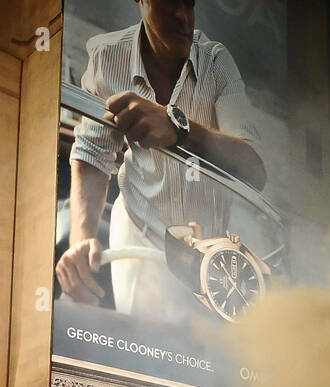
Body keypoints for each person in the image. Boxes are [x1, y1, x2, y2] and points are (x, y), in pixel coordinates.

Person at [57, 0, 266, 319]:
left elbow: (254, 169)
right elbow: (93, 154)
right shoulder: (108, 56)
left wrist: (179, 128)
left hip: (207, 247)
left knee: (205, 357)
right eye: (169, 3)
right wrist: (81, 241)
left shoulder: (216, 61)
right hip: (140, 233)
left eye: (189, 3)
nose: (182, 16)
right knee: (151, 347)